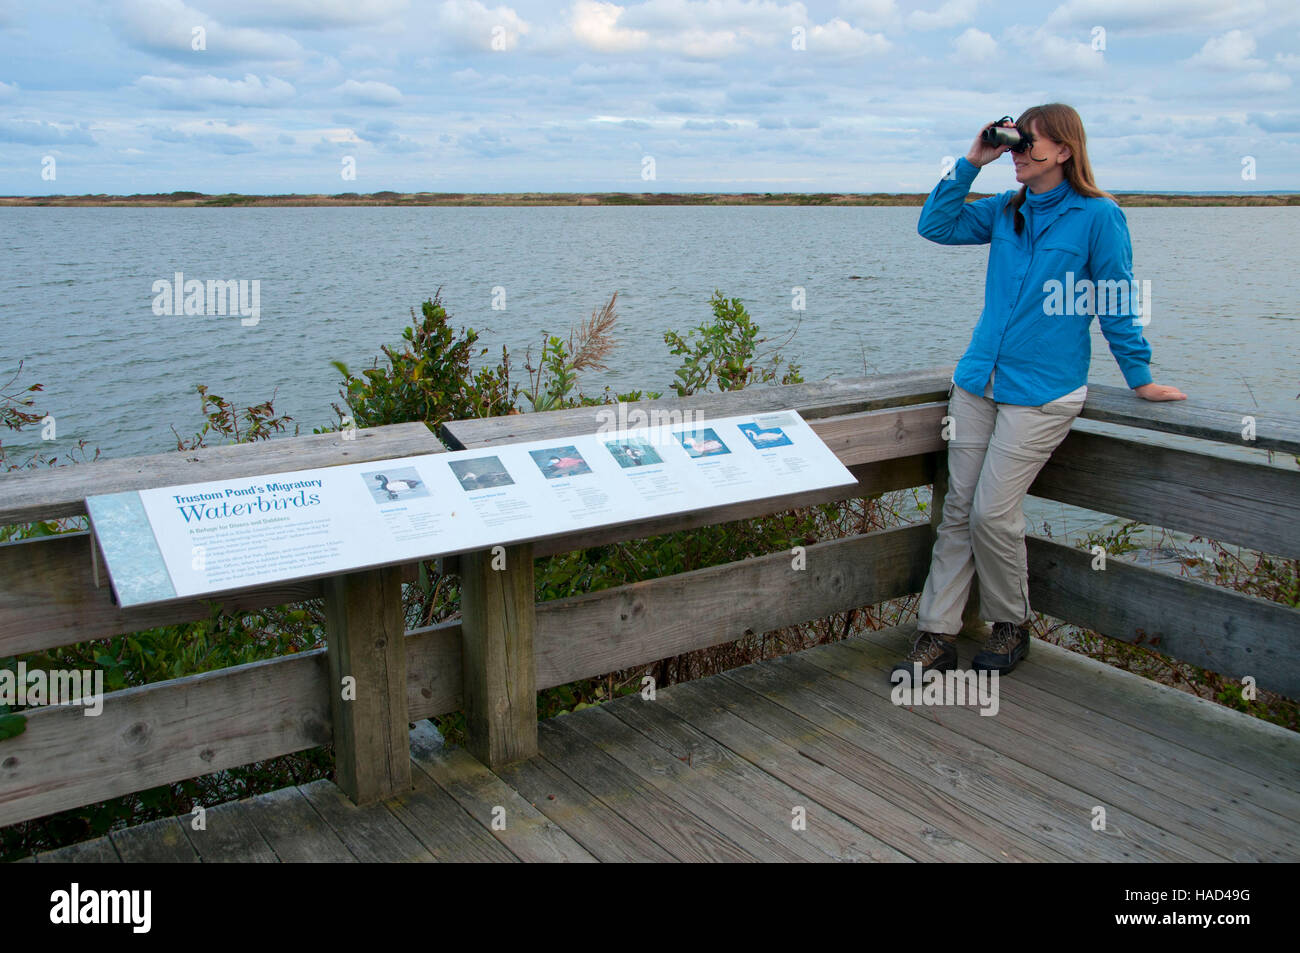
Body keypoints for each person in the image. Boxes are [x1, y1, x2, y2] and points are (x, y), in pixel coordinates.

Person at [896, 103, 1187, 683]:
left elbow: (1114, 299)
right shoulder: (1008, 210)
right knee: (958, 509)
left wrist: (1141, 377)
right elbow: (935, 226)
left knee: (991, 513)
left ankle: (1011, 623)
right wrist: (972, 161)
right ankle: (936, 634)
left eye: (1029, 143)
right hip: (978, 382)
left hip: (1044, 392)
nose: (1019, 152)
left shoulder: (1098, 217)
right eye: (1015, 142)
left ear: (1065, 150)